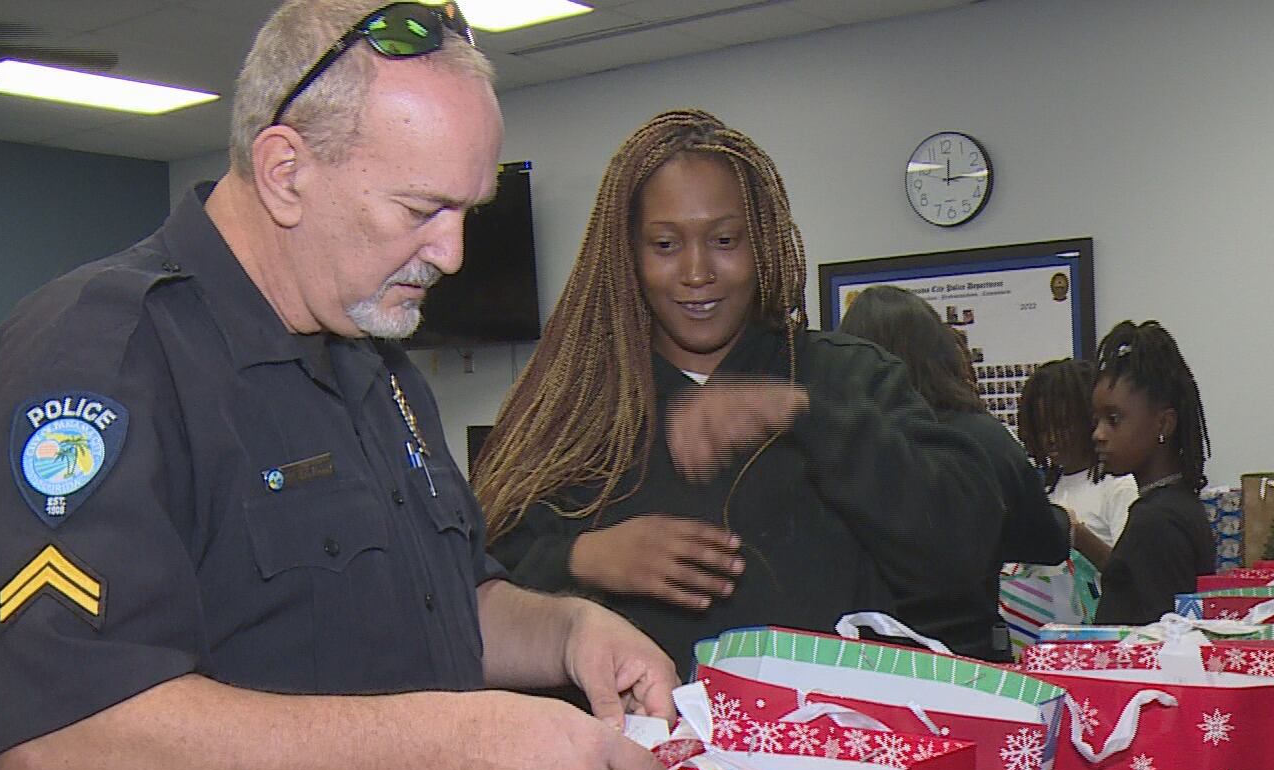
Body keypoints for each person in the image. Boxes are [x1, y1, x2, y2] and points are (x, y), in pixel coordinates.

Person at [0, 0, 674, 770]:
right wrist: (455, 746)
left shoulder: (375, 367)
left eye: (467, 210)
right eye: (420, 207)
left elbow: (441, 601)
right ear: (285, 171)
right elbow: (67, 737)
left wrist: (567, 631)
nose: (452, 253)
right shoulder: (99, 359)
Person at [474, 109, 1000, 673]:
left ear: (763, 243)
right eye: (666, 245)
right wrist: (581, 558)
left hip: (830, 743)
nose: (697, 272)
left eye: (724, 240)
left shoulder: (848, 376)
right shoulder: (575, 406)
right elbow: (471, 583)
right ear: (627, 254)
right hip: (635, 747)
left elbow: (962, 552)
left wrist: (810, 415)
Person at [837, 285, 1066, 659]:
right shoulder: (984, 438)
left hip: (864, 658)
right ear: (940, 353)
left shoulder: (839, 445)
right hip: (969, 656)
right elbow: (1044, 543)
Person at [1085, 321, 1214, 625]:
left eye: (1114, 420)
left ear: (1163, 425)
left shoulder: (1156, 521)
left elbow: (1155, 641)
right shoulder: (1176, 504)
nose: (1098, 434)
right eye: (1096, 420)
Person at [1018, 356, 1139, 571]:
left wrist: (1077, 534)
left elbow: (1129, 574)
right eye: (1043, 429)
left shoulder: (1118, 486)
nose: (1051, 438)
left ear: (1087, 420)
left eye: (1062, 426)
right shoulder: (1047, 490)